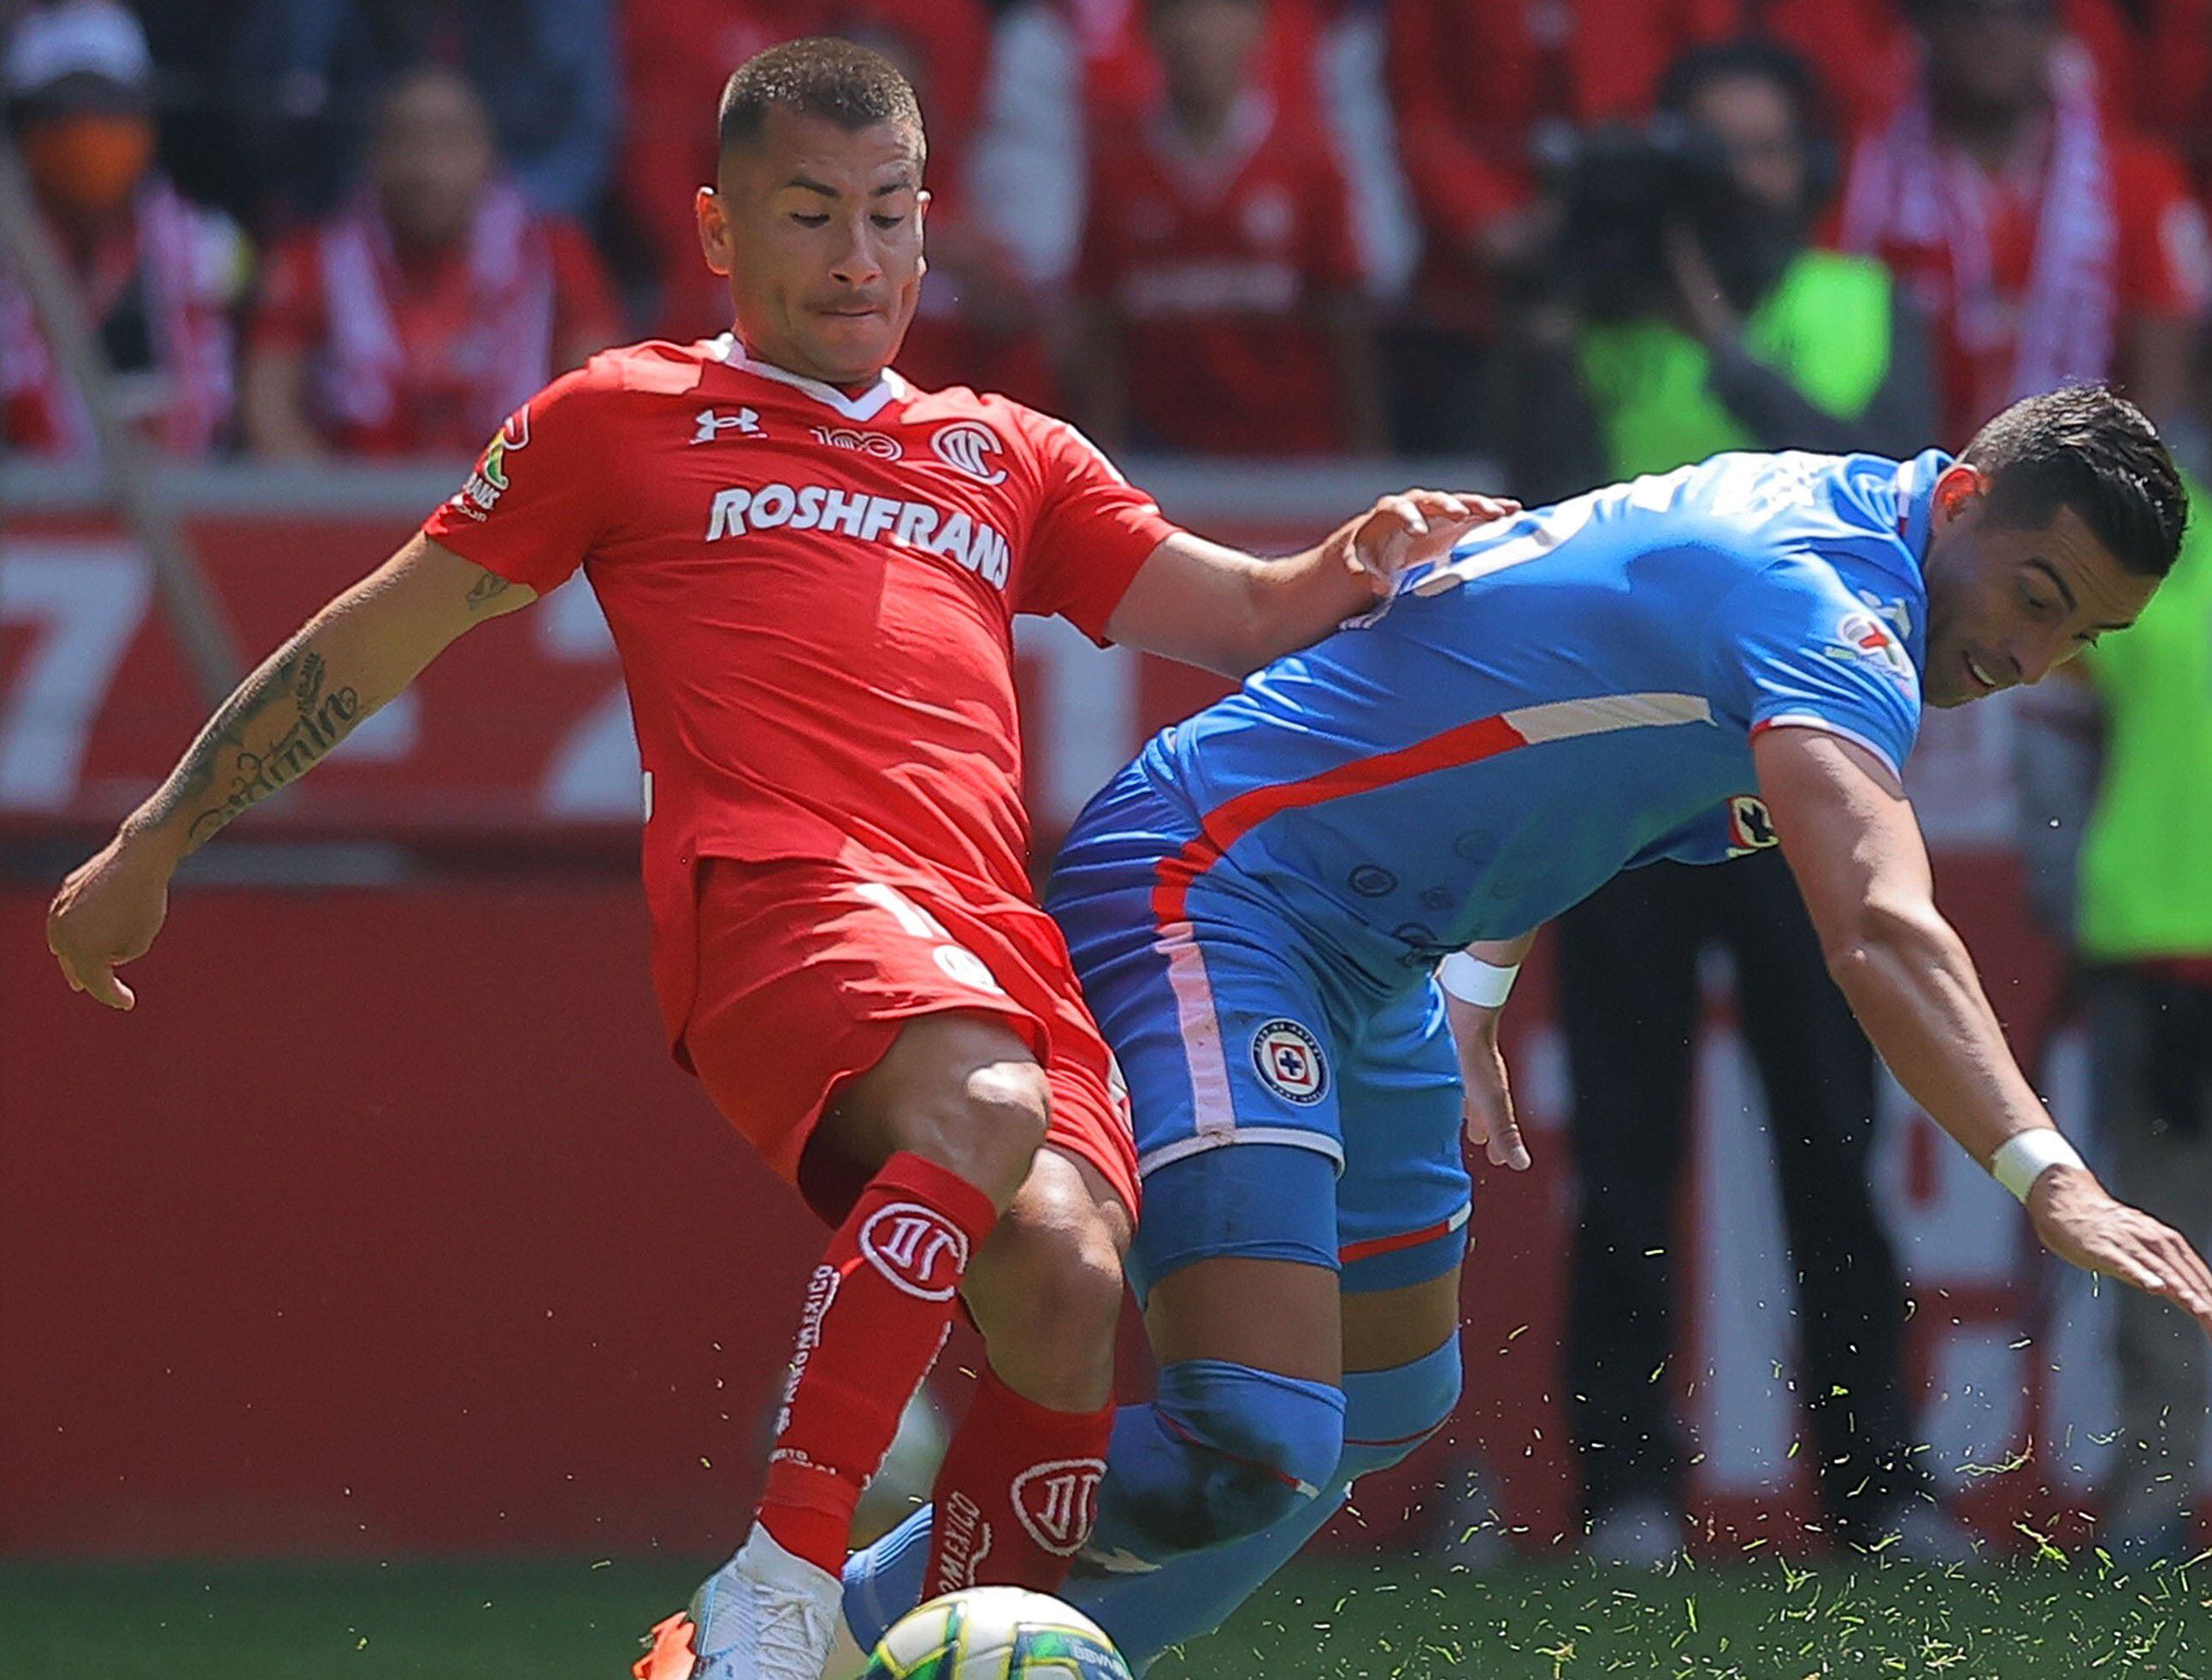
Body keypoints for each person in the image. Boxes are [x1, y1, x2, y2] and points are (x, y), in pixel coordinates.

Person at [41, 38, 1503, 1680]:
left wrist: (1353, 556)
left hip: (987, 936)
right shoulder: (620, 419)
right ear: (720, 229)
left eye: (887, 212)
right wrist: (162, 835)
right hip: (780, 897)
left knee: (1069, 1279)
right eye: (810, 215)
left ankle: (897, 1655)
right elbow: (378, 639)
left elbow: (1242, 608)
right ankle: (777, 1598)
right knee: (987, 1112)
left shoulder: (1006, 454)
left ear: (931, 223)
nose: (857, 257)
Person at [834, 387, 2212, 1675]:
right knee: (1252, 1438)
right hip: (1219, 882)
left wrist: (1477, 984)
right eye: (2035, 600)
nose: (2030, 660)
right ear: (1962, 497)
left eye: (2077, 637)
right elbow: (1876, 928)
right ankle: (793, 1643)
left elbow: (1569, 721)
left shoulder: (1833, 522)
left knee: (1375, 1409)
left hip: (1369, 952)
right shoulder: (1824, 602)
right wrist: (2050, 1176)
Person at [1491, 36, 1949, 1562]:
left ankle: (1874, 1484)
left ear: (1808, 175)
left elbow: (1884, 482)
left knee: (1829, 1127)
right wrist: (1566, 303)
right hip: (1623, 785)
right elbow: (1529, 502)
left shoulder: (1859, 308)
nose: (1729, 185)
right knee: (1623, 1144)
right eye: (1706, 154)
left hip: (1804, 782)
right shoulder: (1601, 323)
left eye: (1755, 155)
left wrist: (1710, 325)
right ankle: (1625, 1484)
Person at [2016, 475, 2212, 1565]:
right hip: (2163, 949)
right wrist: (2066, 889)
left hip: (2156, 934)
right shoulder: (2162, 531)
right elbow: (2053, 704)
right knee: (2159, 1246)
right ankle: (2152, 1495)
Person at [1496, 36, 1937, 504]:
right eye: (1715, 155)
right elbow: (1542, 499)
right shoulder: (1604, 310)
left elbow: (1897, 491)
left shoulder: (1865, 300)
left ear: (1812, 166)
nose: (1740, 181)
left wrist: (1721, 342)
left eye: (1765, 151)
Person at [1837, 0, 2212, 444]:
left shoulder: (2142, 184)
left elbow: (2162, 394)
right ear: (1926, 26)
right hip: (1894, 476)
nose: (1996, 30)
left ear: (2056, 32)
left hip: (2078, 487)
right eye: (1971, 11)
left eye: (2024, 11)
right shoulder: (1863, 180)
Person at [240, 62, 621, 459]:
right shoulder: (313, 259)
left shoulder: (554, 255)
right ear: (373, 156)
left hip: (519, 504)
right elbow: (268, 409)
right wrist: (338, 504)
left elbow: (600, 403)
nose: (427, 167)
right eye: (406, 140)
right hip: (355, 508)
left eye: (450, 141)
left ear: (488, 153)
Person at [1071, 0, 1383, 457]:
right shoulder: (1116, 165)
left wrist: (1366, 450)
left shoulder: (1308, 159)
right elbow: (1102, 321)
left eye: (1221, 11)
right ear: (1151, 30)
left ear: (1259, 26)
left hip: (1290, 448)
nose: (1200, 32)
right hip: (1159, 450)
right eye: (1182, 13)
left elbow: (1343, 316)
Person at [1, 0, 247, 456]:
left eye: (108, 106)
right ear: (22, 127)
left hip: (173, 501)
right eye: (60, 110)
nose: (86, 131)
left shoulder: (208, 245)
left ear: (144, 117)